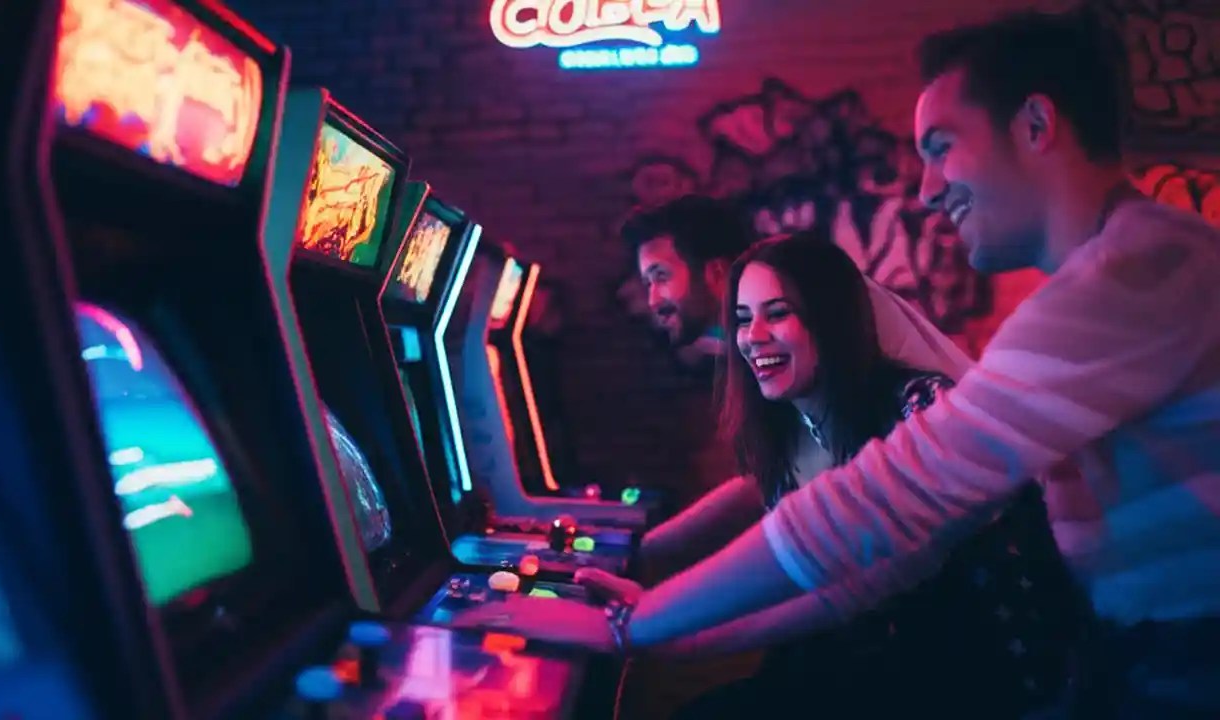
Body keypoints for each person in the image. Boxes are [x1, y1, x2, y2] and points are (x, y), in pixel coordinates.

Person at [457, 10, 1220, 717]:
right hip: (1125, 654)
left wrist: (636, 621)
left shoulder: (1139, 271)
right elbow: (859, 545)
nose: (925, 190)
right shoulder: (1118, 276)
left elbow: (882, 500)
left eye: (940, 147)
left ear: (1035, 125)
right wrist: (653, 621)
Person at [609, 234, 1076, 717]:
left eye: (779, 312)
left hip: (976, 676)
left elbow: (851, 589)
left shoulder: (921, 405)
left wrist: (655, 627)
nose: (753, 337)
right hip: (878, 659)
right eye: (744, 320)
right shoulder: (794, 420)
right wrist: (656, 611)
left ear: (830, 320)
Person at [623, 194, 971, 577]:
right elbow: (781, 482)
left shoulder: (839, 321)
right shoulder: (757, 350)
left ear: (717, 273)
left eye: (661, 277)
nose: (652, 298)